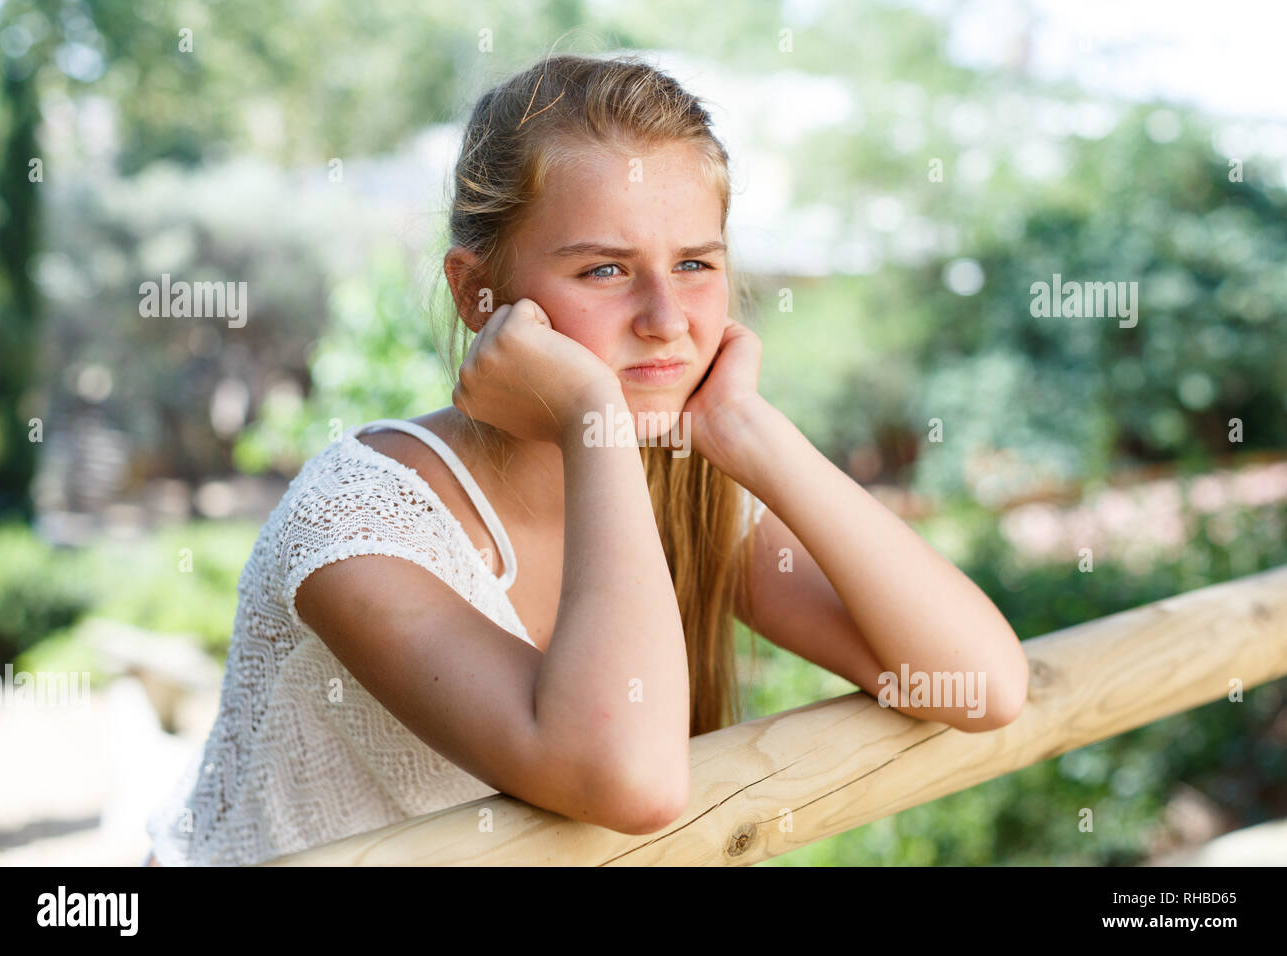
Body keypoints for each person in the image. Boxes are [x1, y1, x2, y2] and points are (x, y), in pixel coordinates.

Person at [143, 51, 1027, 866]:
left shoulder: (694, 481)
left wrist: (755, 436)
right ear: (474, 290)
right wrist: (592, 413)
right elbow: (628, 780)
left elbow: (980, 685)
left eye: (693, 264)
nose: (666, 317)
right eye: (605, 270)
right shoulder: (357, 521)